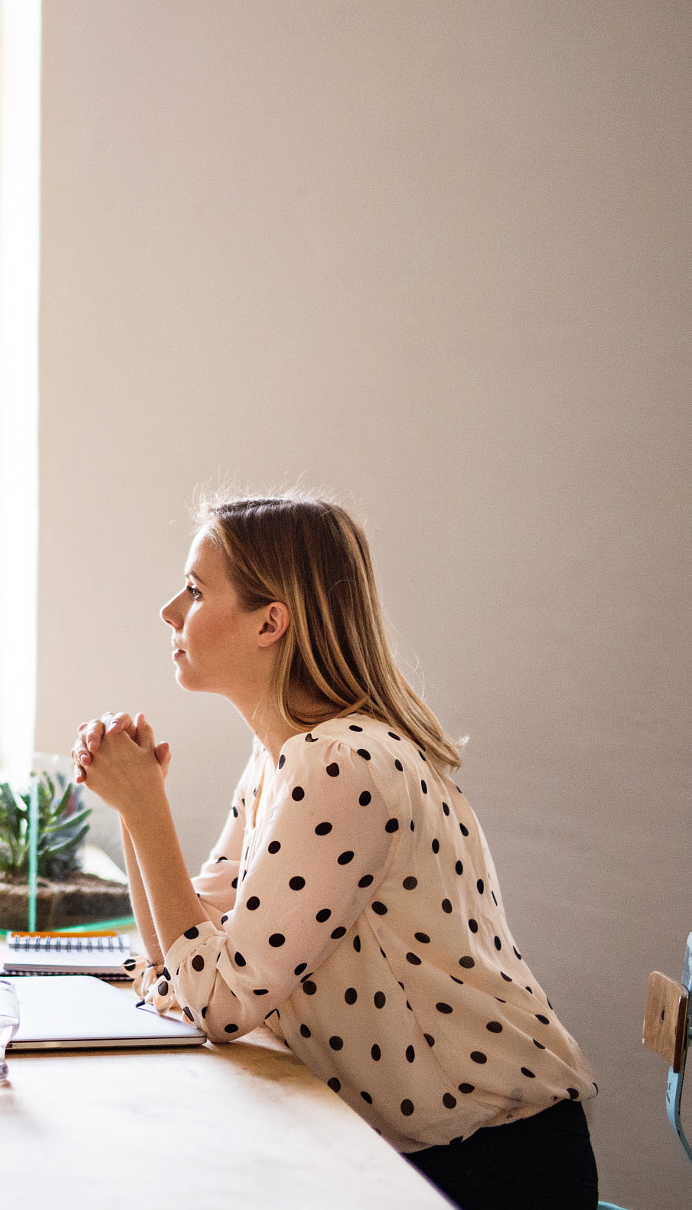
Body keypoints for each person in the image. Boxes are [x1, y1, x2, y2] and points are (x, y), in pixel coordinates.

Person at [71, 495, 598, 1210]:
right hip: (431, 1150)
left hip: (492, 1164)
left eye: (195, 590)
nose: (171, 610)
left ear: (270, 621)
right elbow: (184, 967)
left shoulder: (339, 765)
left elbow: (219, 999)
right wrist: (136, 813)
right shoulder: (282, 758)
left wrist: (145, 808)